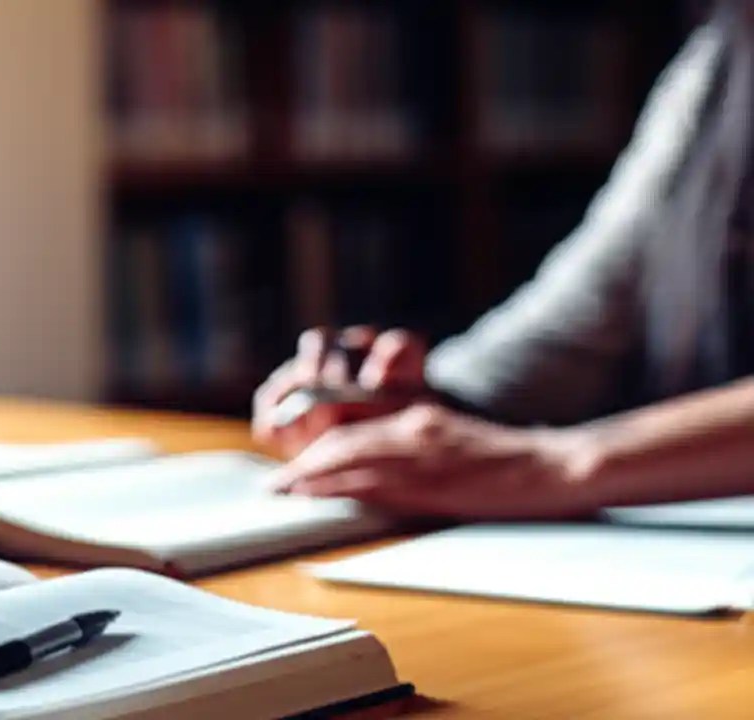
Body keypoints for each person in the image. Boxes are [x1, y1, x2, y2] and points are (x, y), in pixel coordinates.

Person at [253, 1, 754, 520]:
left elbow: (546, 461)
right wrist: (409, 404)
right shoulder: (723, 60)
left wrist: (561, 464)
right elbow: (576, 326)